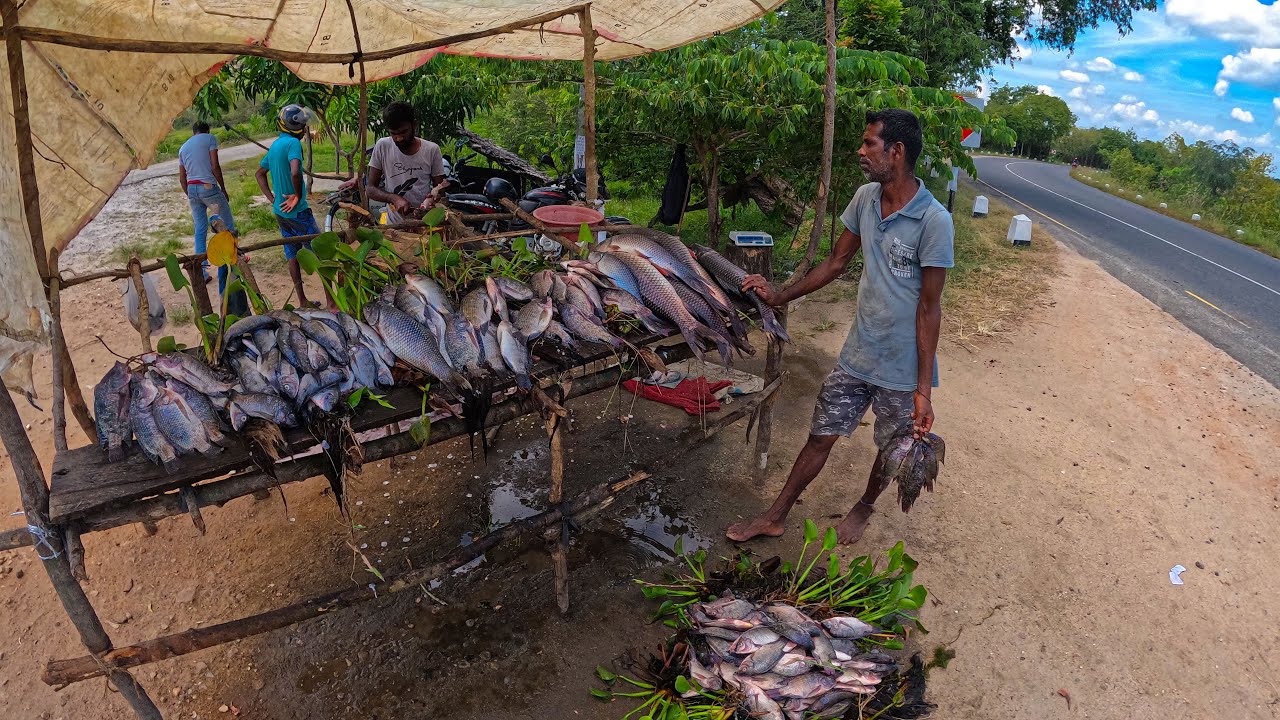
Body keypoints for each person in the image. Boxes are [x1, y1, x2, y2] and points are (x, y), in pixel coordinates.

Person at [726, 108, 954, 546]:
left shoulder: (933, 221)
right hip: (858, 352)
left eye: (870, 143)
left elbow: (930, 308)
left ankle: (865, 505)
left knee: (892, 450)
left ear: (897, 151)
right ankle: (775, 515)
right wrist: (779, 294)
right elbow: (836, 261)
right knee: (820, 436)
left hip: (901, 368)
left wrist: (923, 390)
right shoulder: (866, 198)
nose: (861, 150)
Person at [255, 104, 332, 308]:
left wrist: (273, 199)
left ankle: (302, 300)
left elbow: (259, 173)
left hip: (281, 213)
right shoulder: (292, 145)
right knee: (319, 253)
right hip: (298, 212)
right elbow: (296, 172)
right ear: (297, 128)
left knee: (292, 254)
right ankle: (332, 302)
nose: (306, 129)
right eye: (303, 125)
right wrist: (298, 195)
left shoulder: (275, 145)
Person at [366, 101, 447, 225]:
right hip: (392, 226)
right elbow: (370, 189)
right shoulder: (383, 146)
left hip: (423, 225)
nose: (398, 138)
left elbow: (441, 188)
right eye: (393, 133)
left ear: (414, 125)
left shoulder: (431, 150)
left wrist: (432, 199)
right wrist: (393, 198)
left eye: (403, 132)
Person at [178, 120, 236, 285]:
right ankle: (232, 259)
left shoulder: (183, 148)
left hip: (192, 188)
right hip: (208, 187)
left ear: (193, 132)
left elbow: (182, 177)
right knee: (228, 224)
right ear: (206, 130)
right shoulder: (210, 138)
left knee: (200, 230)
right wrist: (223, 189)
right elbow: (215, 166)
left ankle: (202, 271)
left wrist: (190, 194)